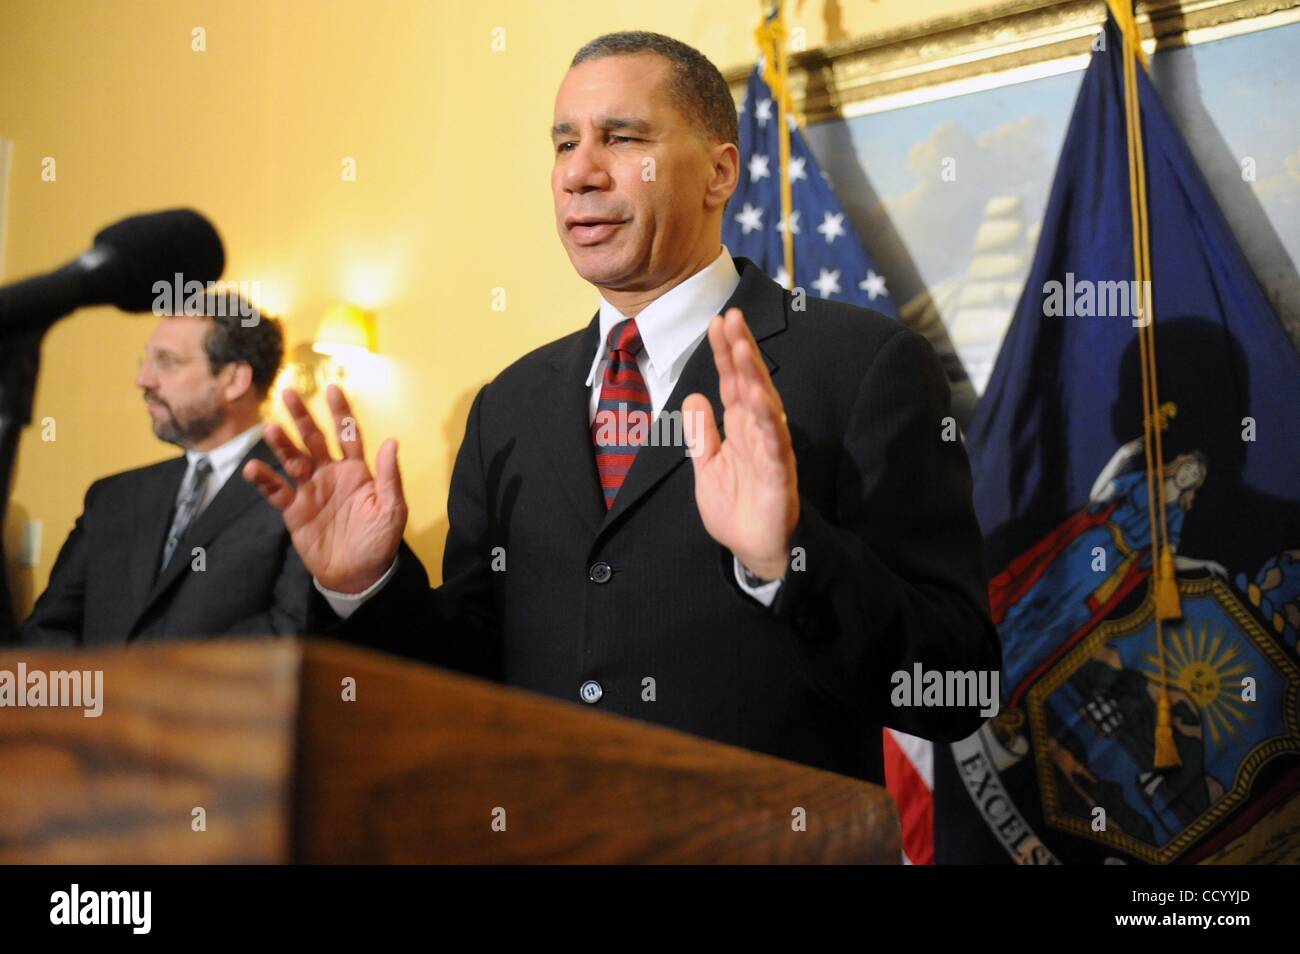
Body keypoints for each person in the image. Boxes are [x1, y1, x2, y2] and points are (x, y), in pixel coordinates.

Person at [246, 32, 1000, 783]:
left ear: (718, 172)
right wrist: (365, 588)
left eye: (622, 137)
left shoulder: (862, 365)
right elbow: (468, 675)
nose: (578, 173)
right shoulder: (508, 407)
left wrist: (788, 560)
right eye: (564, 143)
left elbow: (960, 682)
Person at [22, 290, 312, 646]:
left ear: (234, 379)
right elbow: (47, 631)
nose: (144, 379)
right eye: (145, 360)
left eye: (167, 361)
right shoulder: (111, 497)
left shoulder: (303, 496)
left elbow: (292, 638)